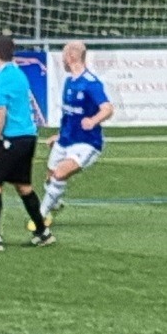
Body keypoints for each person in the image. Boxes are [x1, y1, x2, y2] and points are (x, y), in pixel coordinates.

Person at [0, 34, 52, 250]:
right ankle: (43, 232)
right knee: (23, 185)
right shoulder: (19, 74)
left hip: (12, 138)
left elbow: (0, 114)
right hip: (28, 136)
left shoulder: (1, 79)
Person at [36, 41, 113, 228]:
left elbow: (108, 108)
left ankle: (40, 217)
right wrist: (59, 135)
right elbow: (69, 114)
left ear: (71, 56)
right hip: (66, 138)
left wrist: (93, 121)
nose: (62, 59)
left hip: (86, 142)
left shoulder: (91, 83)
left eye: (64, 55)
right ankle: (55, 203)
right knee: (50, 175)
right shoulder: (69, 81)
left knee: (60, 173)